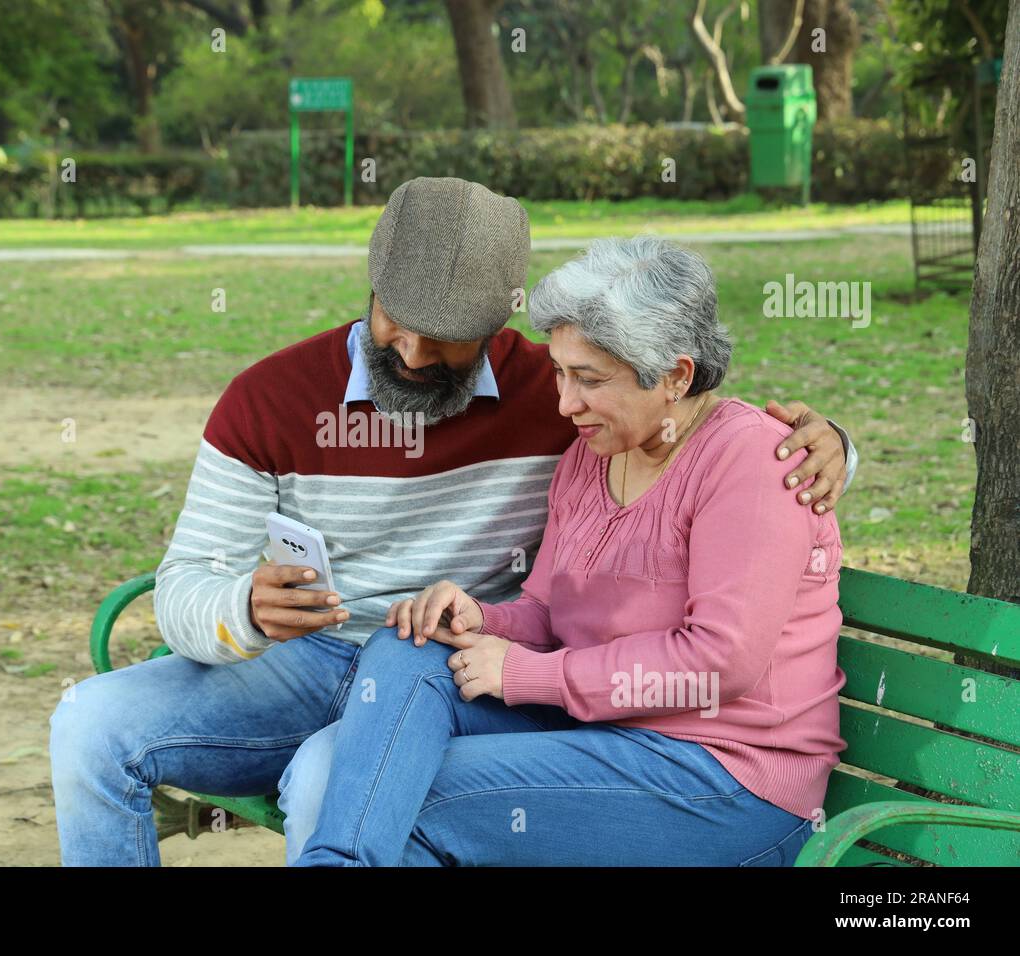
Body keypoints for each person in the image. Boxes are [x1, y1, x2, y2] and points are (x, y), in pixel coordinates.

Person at [48, 179, 857, 866]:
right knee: (97, 722)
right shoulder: (273, 400)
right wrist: (243, 613)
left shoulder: (564, 399)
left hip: (681, 753)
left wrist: (835, 450)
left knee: (363, 787)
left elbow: (723, 448)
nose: (409, 349)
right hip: (315, 666)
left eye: (445, 339)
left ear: (497, 328)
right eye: (394, 317)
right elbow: (186, 582)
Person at [285, 235, 848, 867]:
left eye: (589, 379)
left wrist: (527, 673)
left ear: (676, 375)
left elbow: (719, 663)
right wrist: (481, 619)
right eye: (559, 371)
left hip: (722, 780)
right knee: (409, 645)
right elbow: (547, 610)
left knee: (405, 799)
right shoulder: (593, 454)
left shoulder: (750, 462)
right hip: (601, 735)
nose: (565, 402)